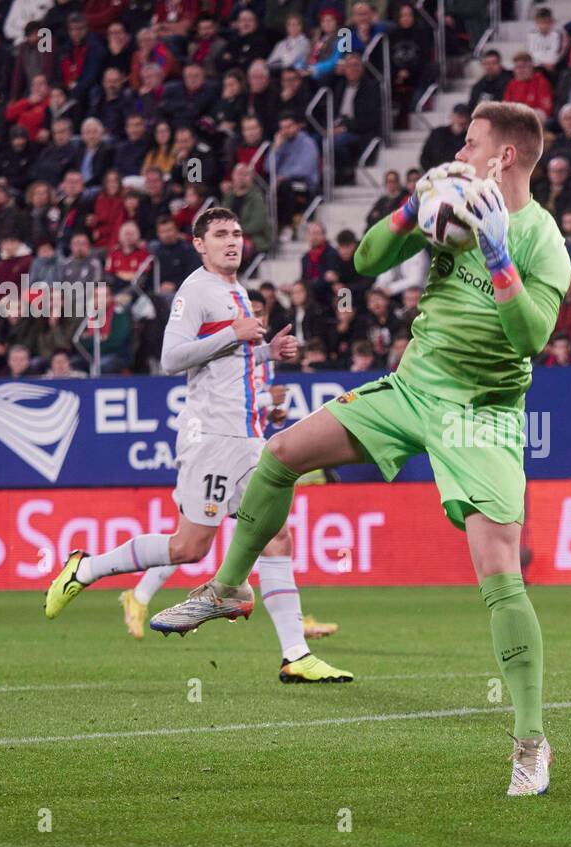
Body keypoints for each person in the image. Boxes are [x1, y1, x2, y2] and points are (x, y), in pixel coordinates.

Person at [149, 102, 571, 797]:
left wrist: (497, 254)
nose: (457, 150)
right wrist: (412, 210)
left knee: (499, 570)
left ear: (503, 157)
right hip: (412, 387)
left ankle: (530, 741)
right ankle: (227, 588)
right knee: (282, 452)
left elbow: (531, 337)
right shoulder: (448, 206)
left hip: (482, 413)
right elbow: (366, 260)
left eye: (470, 143)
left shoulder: (539, 238)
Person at [44, 207, 351, 682]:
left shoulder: (237, 290)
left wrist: (269, 352)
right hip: (211, 437)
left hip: (248, 436)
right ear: (199, 244)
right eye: (221, 235)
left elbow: (230, 361)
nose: (232, 241)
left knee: (276, 533)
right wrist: (235, 332)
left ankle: (296, 655)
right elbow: (170, 357)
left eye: (236, 233)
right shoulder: (195, 290)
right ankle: (84, 570)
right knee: (189, 548)